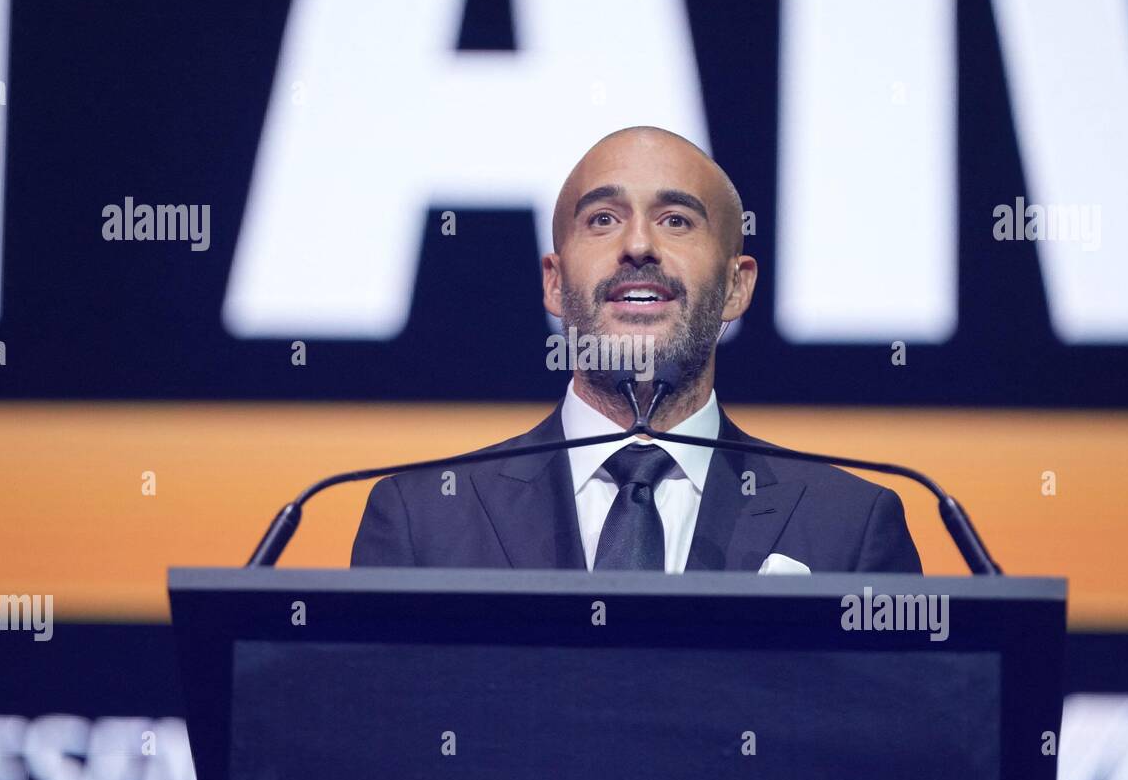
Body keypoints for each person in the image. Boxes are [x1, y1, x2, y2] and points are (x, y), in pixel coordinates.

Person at [352, 126, 922, 574]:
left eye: (676, 220)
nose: (639, 245)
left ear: (736, 286)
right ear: (554, 282)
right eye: (603, 219)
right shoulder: (421, 520)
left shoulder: (849, 526)